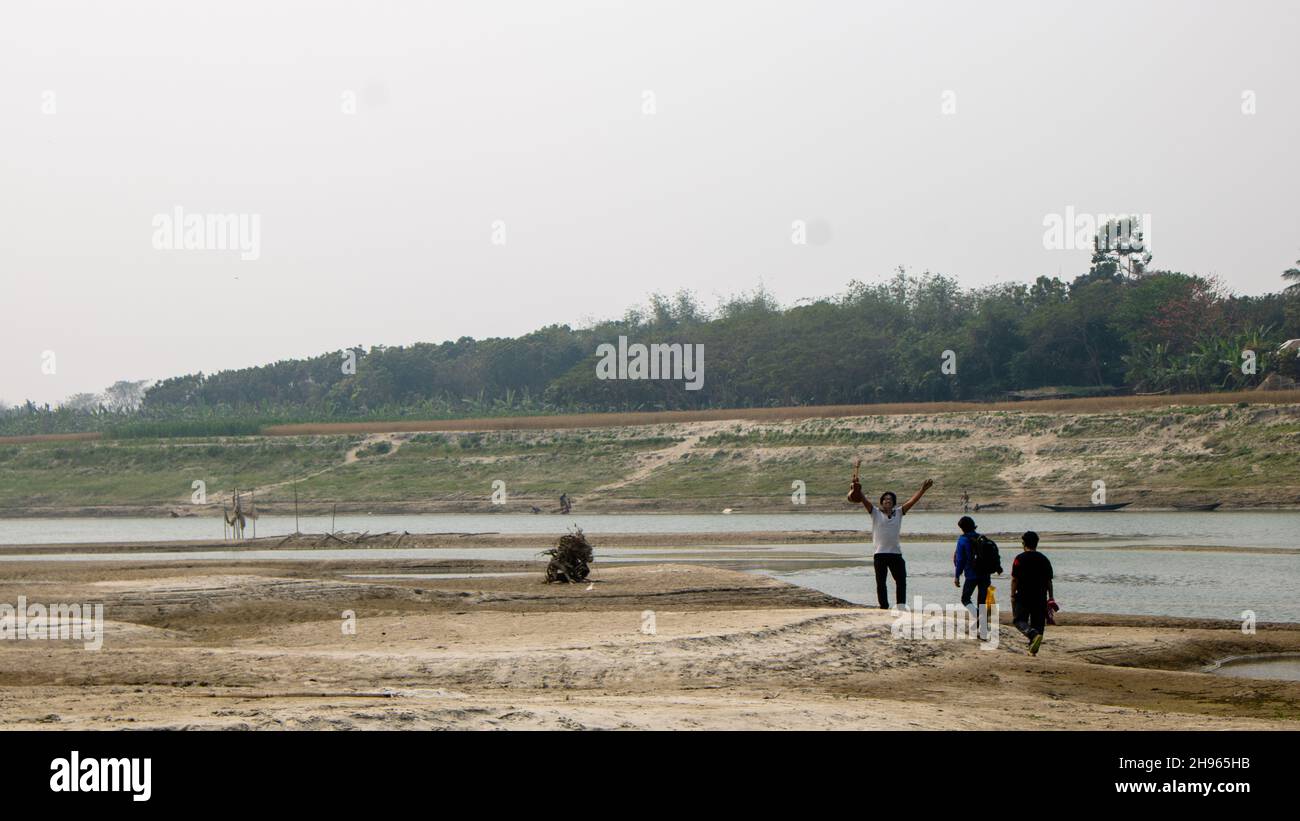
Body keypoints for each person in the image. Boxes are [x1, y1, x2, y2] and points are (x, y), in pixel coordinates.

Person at [849, 476, 934, 609]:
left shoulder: (899, 512)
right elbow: (863, 500)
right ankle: (884, 606)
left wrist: (922, 490)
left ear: (894, 502)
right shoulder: (875, 513)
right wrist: (856, 487)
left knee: (901, 581)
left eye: (890, 499)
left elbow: (912, 501)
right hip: (880, 554)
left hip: (895, 554)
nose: (887, 501)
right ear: (882, 502)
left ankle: (900, 606)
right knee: (881, 583)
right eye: (885, 499)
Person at [953, 515, 1000, 638]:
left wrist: (957, 575)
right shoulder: (982, 538)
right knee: (982, 602)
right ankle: (983, 631)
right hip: (985, 575)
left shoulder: (963, 540)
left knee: (965, 599)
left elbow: (960, 559)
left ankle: (978, 614)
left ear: (962, 528)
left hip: (971, 575)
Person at [1010, 530, 1054, 656]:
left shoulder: (1019, 559)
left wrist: (1012, 595)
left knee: (1018, 621)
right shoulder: (1044, 559)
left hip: (1023, 595)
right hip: (1040, 596)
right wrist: (1051, 597)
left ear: (1023, 543)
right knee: (1038, 623)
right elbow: (1049, 581)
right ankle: (1033, 650)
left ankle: (1032, 635)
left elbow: (1014, 579)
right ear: (1036, 543)